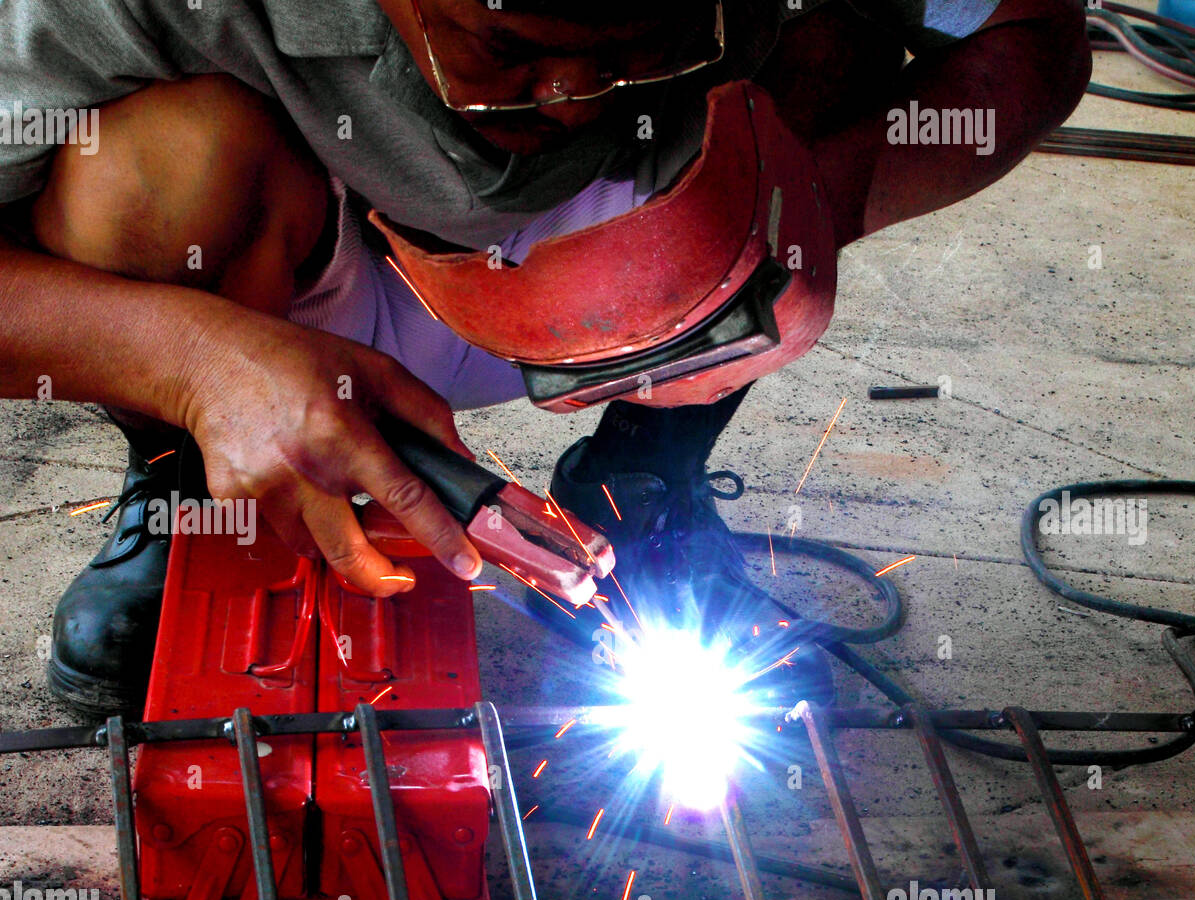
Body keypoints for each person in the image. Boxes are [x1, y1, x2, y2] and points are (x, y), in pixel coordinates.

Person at [0, 0, 1090, 717]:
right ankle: (203, 500)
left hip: (623, 277)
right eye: (505, 52)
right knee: (147, 167)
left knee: (832, 30)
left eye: (637, 41)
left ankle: (643, 478)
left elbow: (1033, 39)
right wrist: (198, 367)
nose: (570, 101)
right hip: (296, 274)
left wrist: (814, 199)